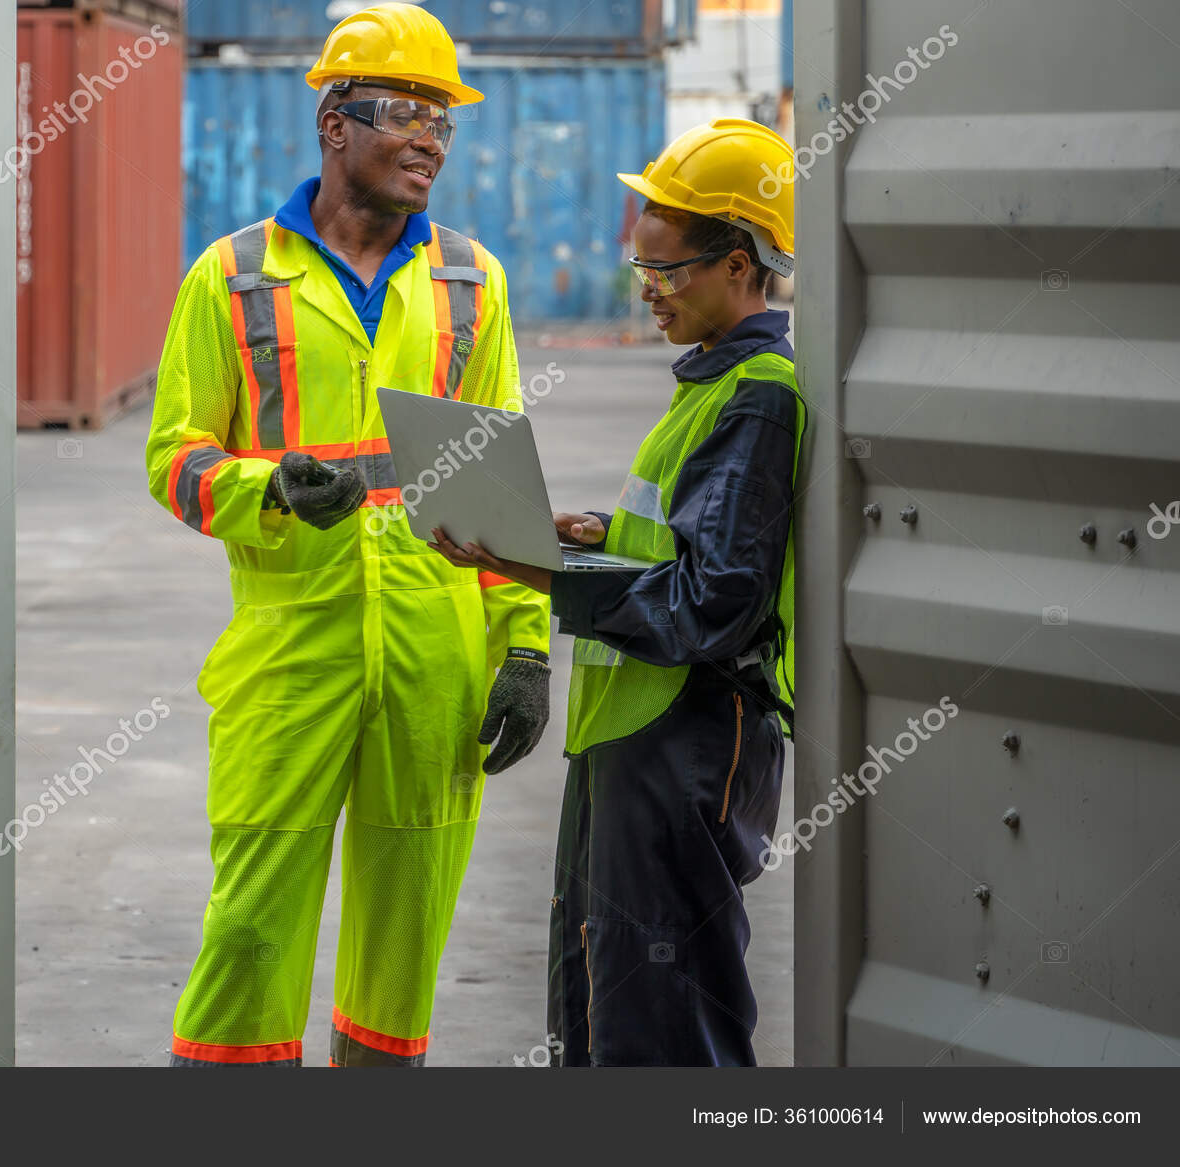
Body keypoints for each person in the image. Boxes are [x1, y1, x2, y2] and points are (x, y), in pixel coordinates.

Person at [145, 2, 551, 1068]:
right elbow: (173, 461)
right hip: (290, 655)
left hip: (435, 660)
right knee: (249, 928)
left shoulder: (472, 283)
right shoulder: (232, 279)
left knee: (405, 940)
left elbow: (502, 489)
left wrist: (520, 646)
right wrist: (268, 488)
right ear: (334, 125)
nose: (427, 136)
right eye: (401, 111)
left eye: (442, 118)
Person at [429, 118, 805, 1066]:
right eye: (640, 270)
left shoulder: (759, 393)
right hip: (631, 734)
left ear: (741, 263)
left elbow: (711, 604)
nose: (649, 294)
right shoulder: (710, 384)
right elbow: (693, 541)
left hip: (686, 739)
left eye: (666, 272)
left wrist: (535, 571)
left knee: (666, 1024)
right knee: (598, 1001)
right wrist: (607, 535)